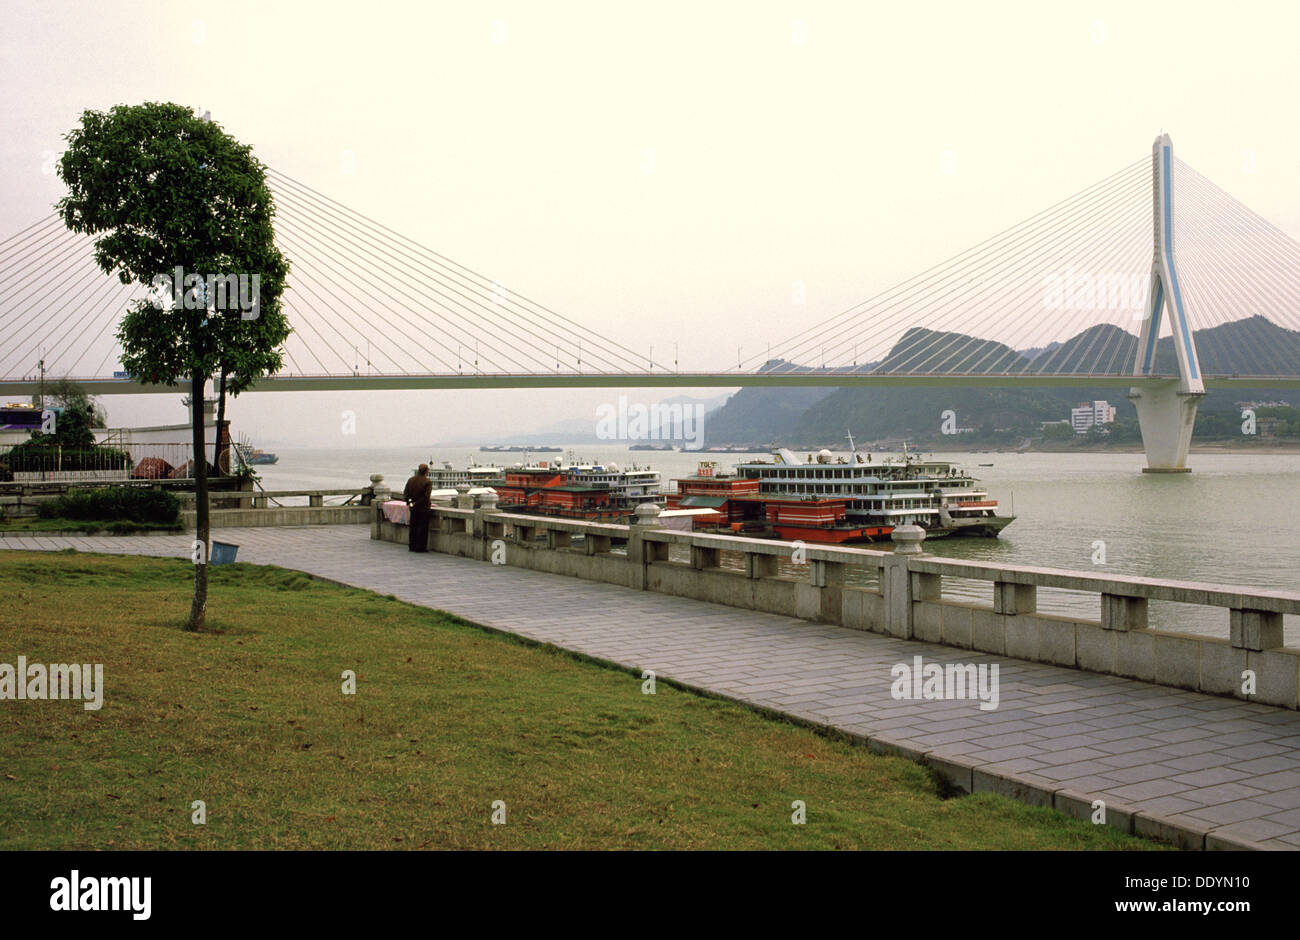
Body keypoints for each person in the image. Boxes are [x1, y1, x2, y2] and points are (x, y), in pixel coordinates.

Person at [403, 464, 433, 553]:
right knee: (422, 528)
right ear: (426, 471)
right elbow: (426, 497)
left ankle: (412, 545)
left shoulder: (411, 480)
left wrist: (410, 502)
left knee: (413, 527)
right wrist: (417, 503)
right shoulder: (427, 482)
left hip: (413, 508)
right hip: (423, 508)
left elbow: (406, 493)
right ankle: (421, 547)